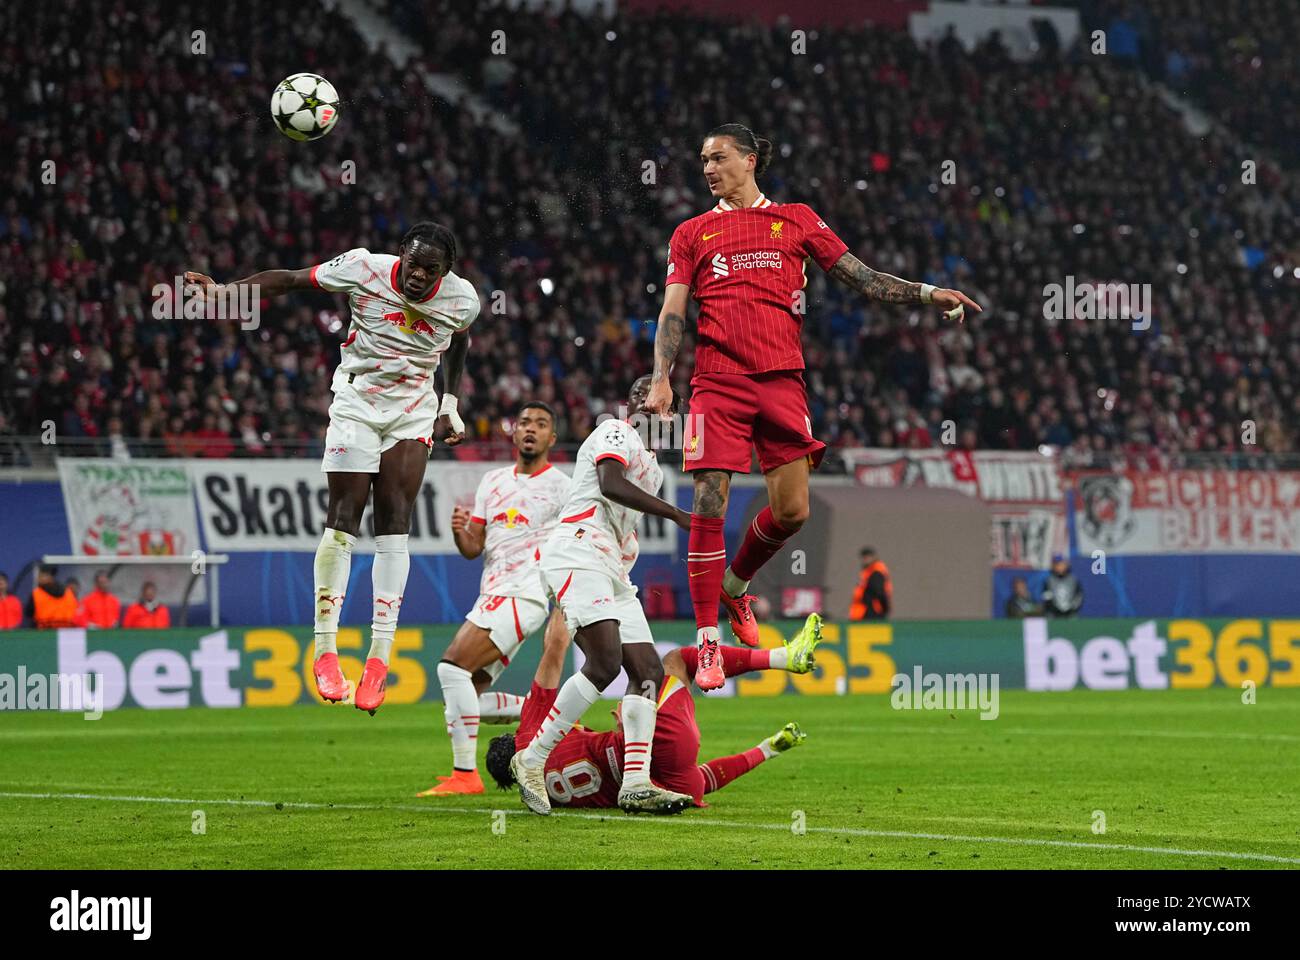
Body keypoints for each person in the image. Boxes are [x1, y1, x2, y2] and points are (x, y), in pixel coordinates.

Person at [645, 123, 982, 690]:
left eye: (719, 158)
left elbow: (864, 278)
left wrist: (928, 292)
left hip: (781, 380)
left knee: (793, 512)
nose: (708, 168)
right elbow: (673, 311)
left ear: (750, 160)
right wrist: (662, 377)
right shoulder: (692, 233)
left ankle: (735, 586)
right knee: (708, 499)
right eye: (703, 160)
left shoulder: (796, 219)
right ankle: (707, 641)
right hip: (717, 382)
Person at [186, 221, 481, 713]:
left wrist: (449, 403)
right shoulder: (363, 268)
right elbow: (288, 280)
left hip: (412, 409)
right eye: (413, 265)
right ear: (400, 255)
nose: (417, 276)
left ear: (447, 271)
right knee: (343, 519)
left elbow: (460, 340)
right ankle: (325, 650)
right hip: (356, 404)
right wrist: (223, 292)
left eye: (430, 270)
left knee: (394, 523)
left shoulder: (463, 299)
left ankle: (378, 659)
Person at [509, 376, 693, 816]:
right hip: (578, 549)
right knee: (606, 662)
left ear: (671, 413)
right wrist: (676, 514)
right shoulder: (615, 431)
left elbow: (624, 520)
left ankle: (636, 783)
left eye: (655, 395)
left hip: (612, 568)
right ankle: (532, 758)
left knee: (648, 671)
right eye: (637, 393)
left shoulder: (653, 469)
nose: (643, 399)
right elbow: (610, 484)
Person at [486, 608, 822, 810]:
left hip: (674, 779)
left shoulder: (547, 793)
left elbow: (702, 782)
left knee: (698, 782)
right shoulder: (530, 736)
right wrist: (567, 595)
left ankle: (768, 749)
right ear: (513, 742)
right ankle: (783, 658)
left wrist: (766, 750)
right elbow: (555, 648)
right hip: (656, 744)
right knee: (678, 660)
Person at [421, 401, 573, 797]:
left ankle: (465, 776)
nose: (531, 429)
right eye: (525, 422)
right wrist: (460, 532)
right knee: (467, 695)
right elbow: (474, 546)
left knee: (451, 669)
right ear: (514, 431)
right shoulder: (492, 481)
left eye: (541, 424)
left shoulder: (563, 487)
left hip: (524, 594)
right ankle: (545, 714)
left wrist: (566, 600)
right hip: (493, 592)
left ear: (552, 438)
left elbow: (576, 542)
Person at [27, 564, 78, 629]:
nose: (38, 579)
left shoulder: (37, 594)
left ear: (48, 576)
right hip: (66, 632)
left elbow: (29, 613)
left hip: (44, 632)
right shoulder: (69, 593)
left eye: (40, 576)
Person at [849, 547, 892, 621]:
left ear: (873, 557)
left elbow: (880, 593)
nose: (865, 560)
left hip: (871, 614)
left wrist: (884, 609)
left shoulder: (876, 572)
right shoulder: (868, 572)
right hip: (865, 613)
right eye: (864, 557)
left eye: (867, 557)